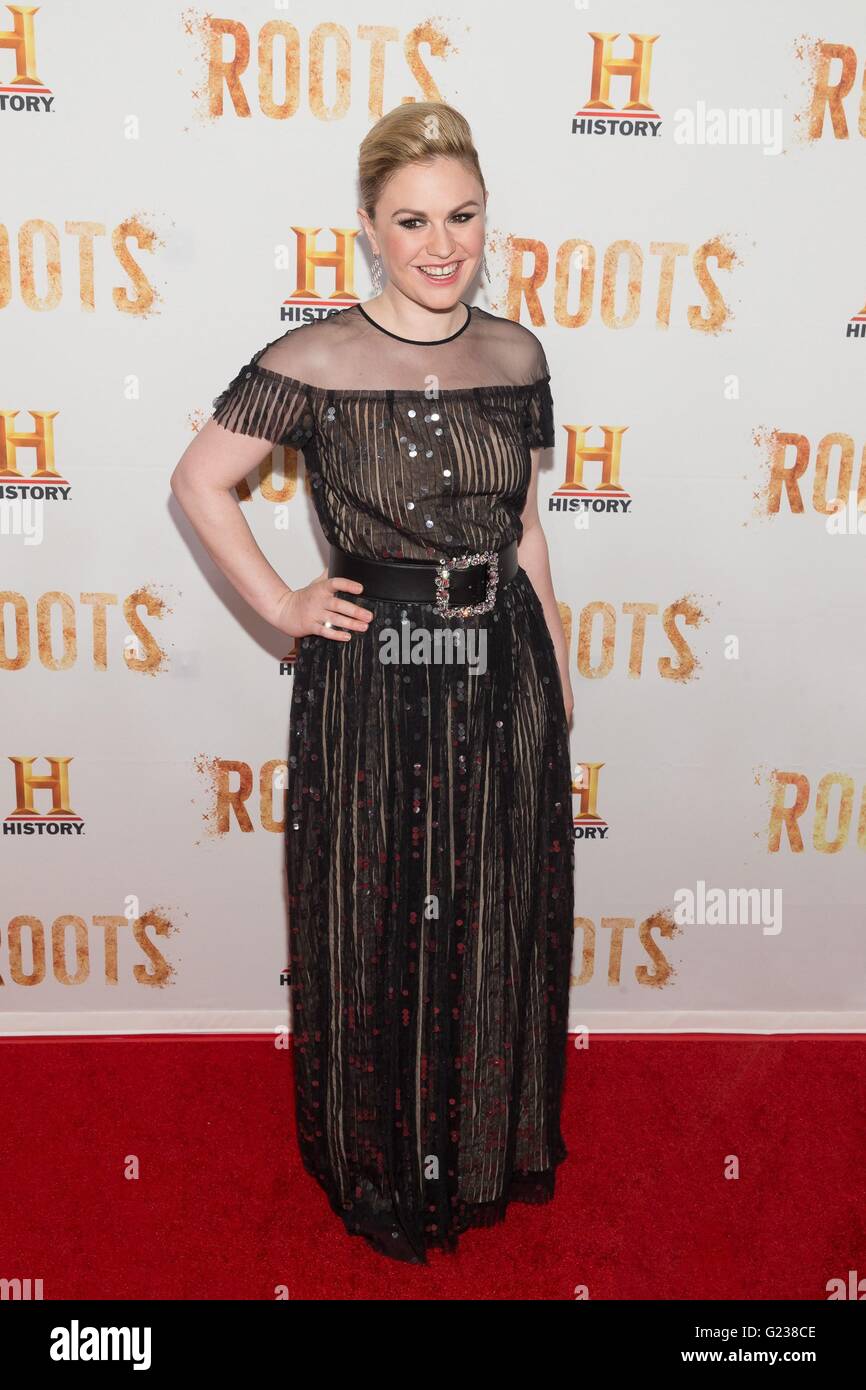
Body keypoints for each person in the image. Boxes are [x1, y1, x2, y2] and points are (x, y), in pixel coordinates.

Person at [170, 100, 575, 1265]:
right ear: (368, 227)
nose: (440, 244)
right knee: (377, 913)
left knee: (496, 905)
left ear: (485, 217)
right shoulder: (312, 358)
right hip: (379, 675)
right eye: (411, 220)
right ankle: (385, 1163)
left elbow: (526, 527)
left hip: (501, 664)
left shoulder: (515, 354)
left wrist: (556, 669)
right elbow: (200, 482)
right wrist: (284, 605)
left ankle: (486, 1144)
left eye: (461, 215)